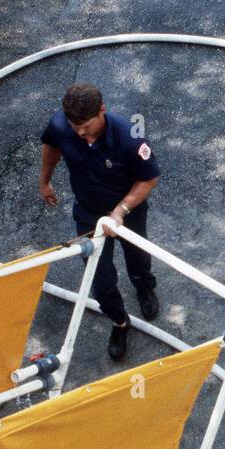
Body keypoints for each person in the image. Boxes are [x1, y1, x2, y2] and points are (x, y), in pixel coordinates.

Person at [38, 83, 161, 361]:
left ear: (102, 109)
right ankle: (119, 321)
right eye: (75, 127)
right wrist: (44, 182)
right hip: (89, 214)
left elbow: (148, 178)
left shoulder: (129, 138)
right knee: (100, 280)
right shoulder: (60, 126)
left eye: (87, 126)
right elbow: (51, 147)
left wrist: (121, 211)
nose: (81, 133)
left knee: (138, 257)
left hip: (127, 213)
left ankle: (144, 288)